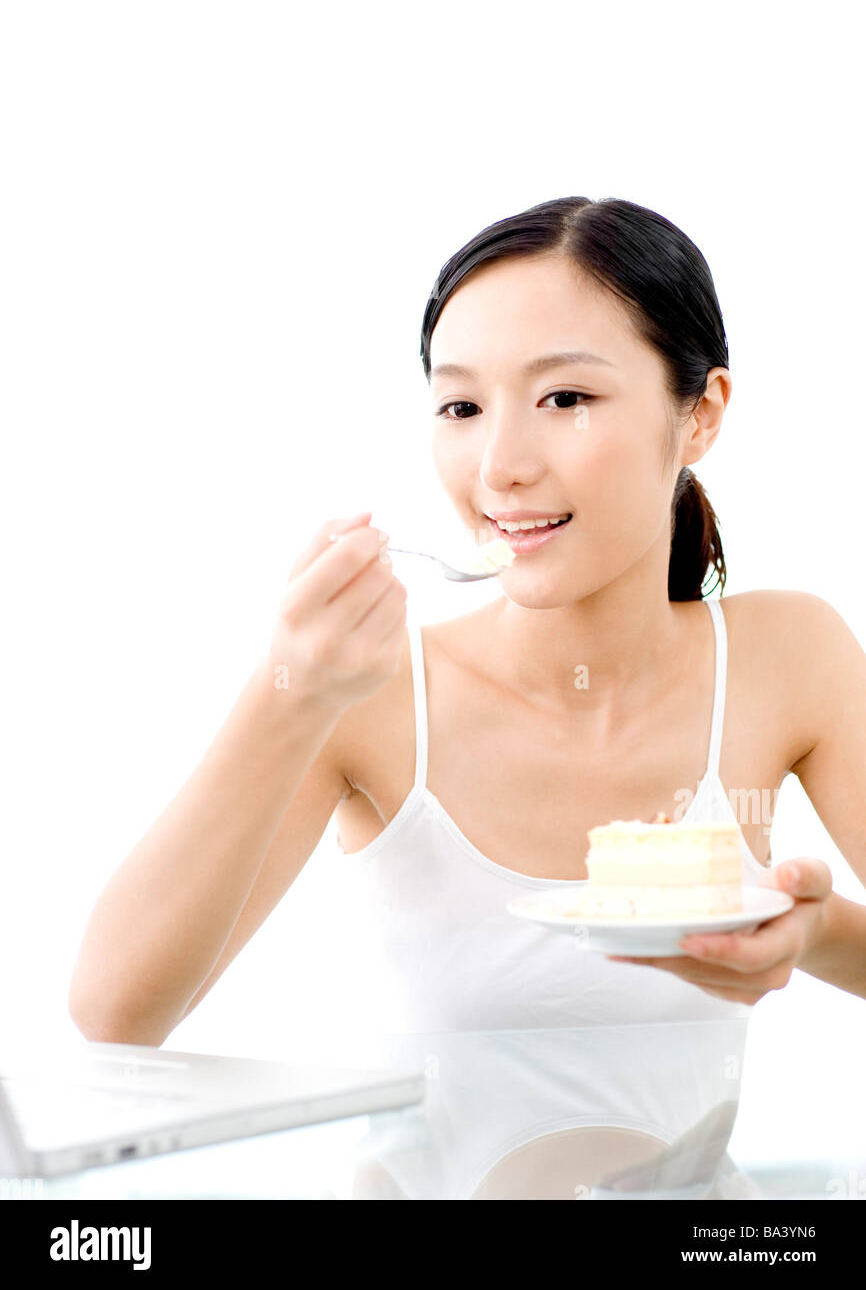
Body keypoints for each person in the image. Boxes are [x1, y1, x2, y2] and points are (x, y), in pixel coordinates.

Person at [69, 195, 866, 1065]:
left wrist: (814, 935)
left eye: (565, 397)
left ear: (701, 414)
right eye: (461, 408)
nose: (500, 467)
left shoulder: (790, 658)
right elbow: (114, 1016)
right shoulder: (372, 696)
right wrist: (287, 689)